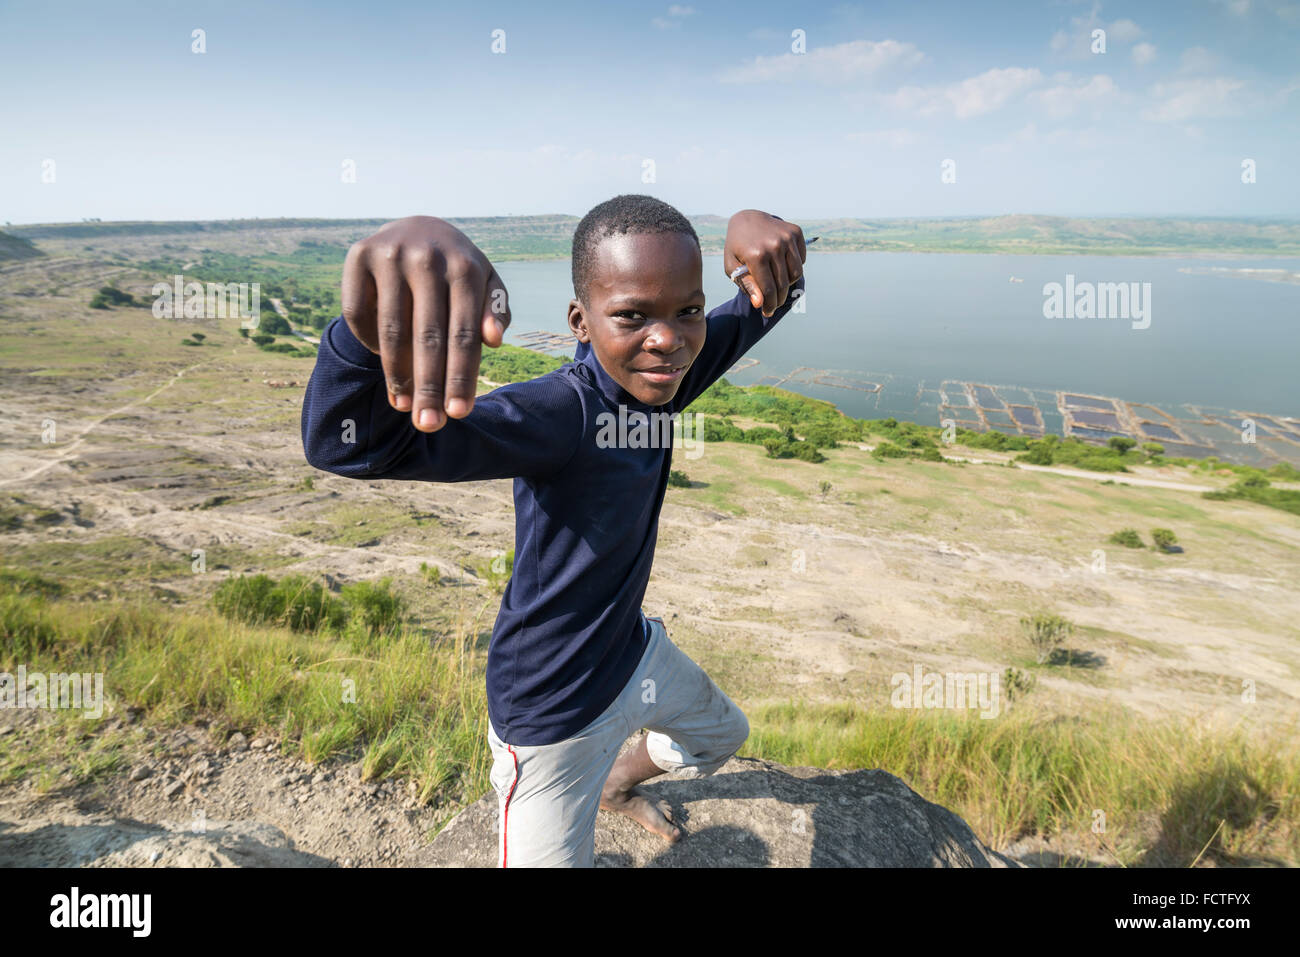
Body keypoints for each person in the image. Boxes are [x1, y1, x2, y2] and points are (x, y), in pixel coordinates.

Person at [301, 194, 807, 866]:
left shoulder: (667, 378)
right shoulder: (560, 412)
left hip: (633, 655)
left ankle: (619, 782)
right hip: (553, 712)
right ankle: (588, 780)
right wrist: (363, 326)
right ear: (581, 320)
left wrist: (756, 231)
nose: (668, 337)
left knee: (722, 733)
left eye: (687, 309)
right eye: (632, 315)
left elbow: (765, 297)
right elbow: (346, 445)